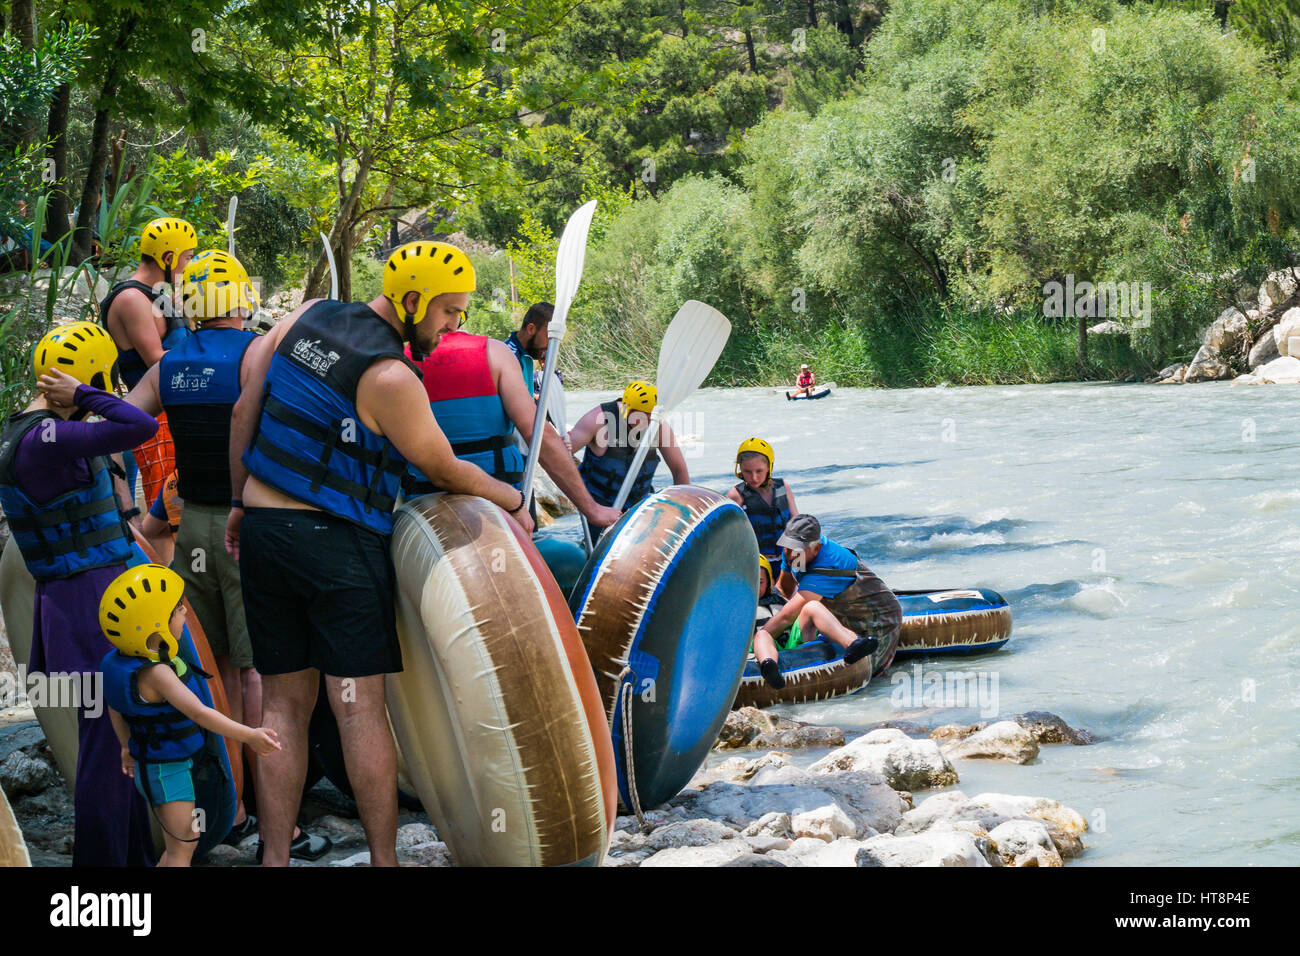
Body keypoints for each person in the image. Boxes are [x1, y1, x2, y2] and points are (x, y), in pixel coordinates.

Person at [226, 239, 534, 867]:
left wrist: (239, 501)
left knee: (284, 704)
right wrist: (512, 496)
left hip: (264, 532)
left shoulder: (300, 319)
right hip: (336, 546)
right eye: (449, 312)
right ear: (412, 300)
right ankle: (384, 863)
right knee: (358, 705)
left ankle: (273, 860)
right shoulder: (392, 376)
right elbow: (443, 466)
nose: (454, 327)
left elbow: (243, 410)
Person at [126, 249, 326, 855]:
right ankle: (278, 822)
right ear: (240, 302)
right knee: (261, 672)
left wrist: (132, 511)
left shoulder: (167, 365)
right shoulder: (252, 355)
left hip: (192, 535)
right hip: (247, 530)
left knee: (217, 675)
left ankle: (233, 807)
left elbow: (122, 424)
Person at [0, 322, 158, 866]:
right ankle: (101, 876)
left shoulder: (20, 429)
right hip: (86, 610)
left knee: (116, 741)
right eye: (99, 383)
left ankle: (131, 859)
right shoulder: (51, 437)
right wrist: (87, 396)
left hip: (68, 607)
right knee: (106, 748)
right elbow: (138, 424)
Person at [99, 564, 281, 867]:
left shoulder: (117, 662)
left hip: (155, 767)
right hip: (167, 773)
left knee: (179, 845)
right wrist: (249, 735)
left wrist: (125, 746)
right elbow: (199, 712)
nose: (184, 614)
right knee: (182, 850)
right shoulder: (157, 674)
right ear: (155, 623)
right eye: (179, 609)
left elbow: (114, 707)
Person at [404, 321, 623, 530]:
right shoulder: (496, 353)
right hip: (503, 500)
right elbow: (538, 434)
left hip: (422, 503)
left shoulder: (397, 361)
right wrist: (591, 509)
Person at [99, 216, 198, 510]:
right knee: (164, 505)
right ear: (168, 258)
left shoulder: (158, 295)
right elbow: (157, 361)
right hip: (150, 418)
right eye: (187, 258)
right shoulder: (131, 299)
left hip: (169, 415)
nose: (188, 266)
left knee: (174, 499)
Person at [753, 514, 901, 690]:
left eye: (797, 550)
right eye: (787, 547)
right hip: (840, 615)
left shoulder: (827, 567)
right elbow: (784, 589)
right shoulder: (793, 550)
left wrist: (765, 633)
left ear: (816, 549)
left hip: (877, 619)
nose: (790, 554)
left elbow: (787, 617)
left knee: (871, 681)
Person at [569, 381, 691, 534]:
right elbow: (561, 455)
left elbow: (679, 471)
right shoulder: (597, 420)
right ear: (627, 409)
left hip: (638, 508)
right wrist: (587, 505)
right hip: (599, 509)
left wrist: (680, 511)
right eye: (641, 416)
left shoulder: (657, 425)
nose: (646, 423)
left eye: (650, 417)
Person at [726, 437, 799, 564]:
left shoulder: (783, 487)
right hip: (757, 565)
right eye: (747, 471)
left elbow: (798, 525)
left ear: (769, 467)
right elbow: (728, 537)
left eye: (759, 471)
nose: (754, 477)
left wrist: (799, 564)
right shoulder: (735, 496)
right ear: (740, 469)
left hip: (787, 561)